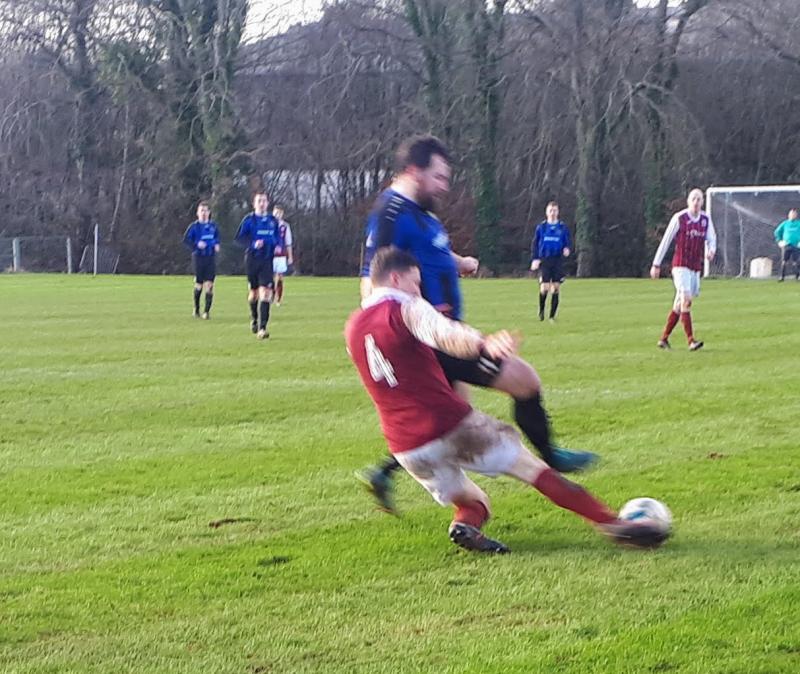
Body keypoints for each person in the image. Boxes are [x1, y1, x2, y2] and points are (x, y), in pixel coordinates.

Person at [346, 247, 667, 553]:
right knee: (536, 471)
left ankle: (465, 525)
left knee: (476, 503)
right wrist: (482, 343)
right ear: (396, 279)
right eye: (415, 283)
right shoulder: (406, 308)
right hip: (450, 426)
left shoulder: (352, 328)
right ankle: (614, 524)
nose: (418, 291)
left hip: (406, 448)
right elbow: (444, 333)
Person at [357, 135, 596, 514]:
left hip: (447, 332)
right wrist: (382, 331)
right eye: (438, 177)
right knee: (524, 380)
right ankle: (551, 457)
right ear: (414, 171)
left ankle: (385, 473)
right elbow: (373, 278)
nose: (444, 186)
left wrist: (459, 262)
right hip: (432, 340)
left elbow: (428, 251)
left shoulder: (421, 213)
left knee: (451, 417)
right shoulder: (390, 214)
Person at [650, 188, 717, 351]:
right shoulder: (680, 218)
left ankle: (664, 339)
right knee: (686, 299)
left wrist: (711, 250)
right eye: (693, 199)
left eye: (699, 199)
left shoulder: (705, 220)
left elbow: (711, 238)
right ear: (688, 201)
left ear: (703, 202)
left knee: (679, 304)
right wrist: (656, 264)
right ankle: (691, 341)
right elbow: (666, 241)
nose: (696, 202)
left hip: (694, 267)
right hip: (680, 265)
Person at [234, 192, 279, 340]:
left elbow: (277, 237)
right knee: (253, 294)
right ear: (254, 204)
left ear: (267, 203)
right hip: (252, 260)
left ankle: (262, 328)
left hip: (267, 260)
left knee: (265, 293)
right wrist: (253, 244)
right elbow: (239, 239)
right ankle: (254, 317)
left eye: (264, 201)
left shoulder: (273, 221)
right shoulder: (249, 220)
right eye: (259, 201)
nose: (262, 203)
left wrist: (277, 245)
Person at [530, 201, 571, 321]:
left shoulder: (562, 227)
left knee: (556, 287)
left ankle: (552, 317)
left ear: (558, 212)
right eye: (550, 210)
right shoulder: (541, 227)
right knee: (545, 287)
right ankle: (541, 311)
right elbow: (535, 244)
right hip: (545, 259)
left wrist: (567, 249)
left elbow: (567, 242)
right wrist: (535, 259)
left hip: (557, 260)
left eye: (555, 210)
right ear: (547, 212)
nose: (553, 213)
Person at [182, 200, 220, 319]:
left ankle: (206, 312)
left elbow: (217, 238)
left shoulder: (213, 226)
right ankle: (196, 308)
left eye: (206, 211)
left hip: (210, 258)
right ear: (197, 213)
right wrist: (197, 245)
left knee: (209, 284)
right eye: (201, 211)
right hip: (198, 257)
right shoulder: (194, 227)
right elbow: (186, 241)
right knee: (199, 284)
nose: (204, 213)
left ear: (209, 213)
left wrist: (217, 245)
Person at [272, 205, 294, 305]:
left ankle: (278, 299)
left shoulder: (285, 226)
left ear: (282, 214)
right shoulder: (268, 224)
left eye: (279, 213)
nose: (278, 215)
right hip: (270, 255)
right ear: (273, 213)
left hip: (281, 255)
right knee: (270, 277)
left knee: (280, 276)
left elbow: (288, 242)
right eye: (276, 212)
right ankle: (270, 297)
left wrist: (290, 256)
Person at [774, 208, 800, 282]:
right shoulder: (785, 223)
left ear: (796, 215)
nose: (793, 215)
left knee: (796, 261)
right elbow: (777, 232)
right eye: (791, 214)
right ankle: (782, 277)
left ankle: (798, 276)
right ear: (789, 215)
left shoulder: (798, 223)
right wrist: (779, 241)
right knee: (784, 261)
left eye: (794, 214)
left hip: (796, 245)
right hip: (786, 245)